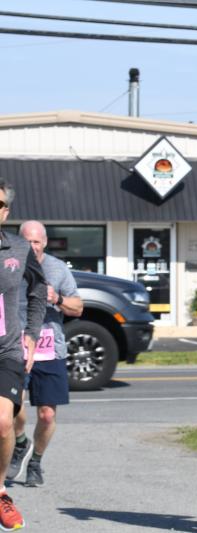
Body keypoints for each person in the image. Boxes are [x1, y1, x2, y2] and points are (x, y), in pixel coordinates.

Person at [7, 221, 83, 488]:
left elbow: (78, 307)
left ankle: (36, 461)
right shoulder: (9, 262)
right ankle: (19, 443)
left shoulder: (58, 269)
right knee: (12, 407)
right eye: (26, 241)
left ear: (45, 242)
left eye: (36, 242)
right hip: (15, 346)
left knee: (47, 415)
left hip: (50, 349)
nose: (31, 247)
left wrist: (58, 299)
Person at [0, 180, 47, 531]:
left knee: (2, 421)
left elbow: (38, 293)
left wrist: (31, 334)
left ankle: (0, 491)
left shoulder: (17, 247)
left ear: (5, 211)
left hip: (7, 349)